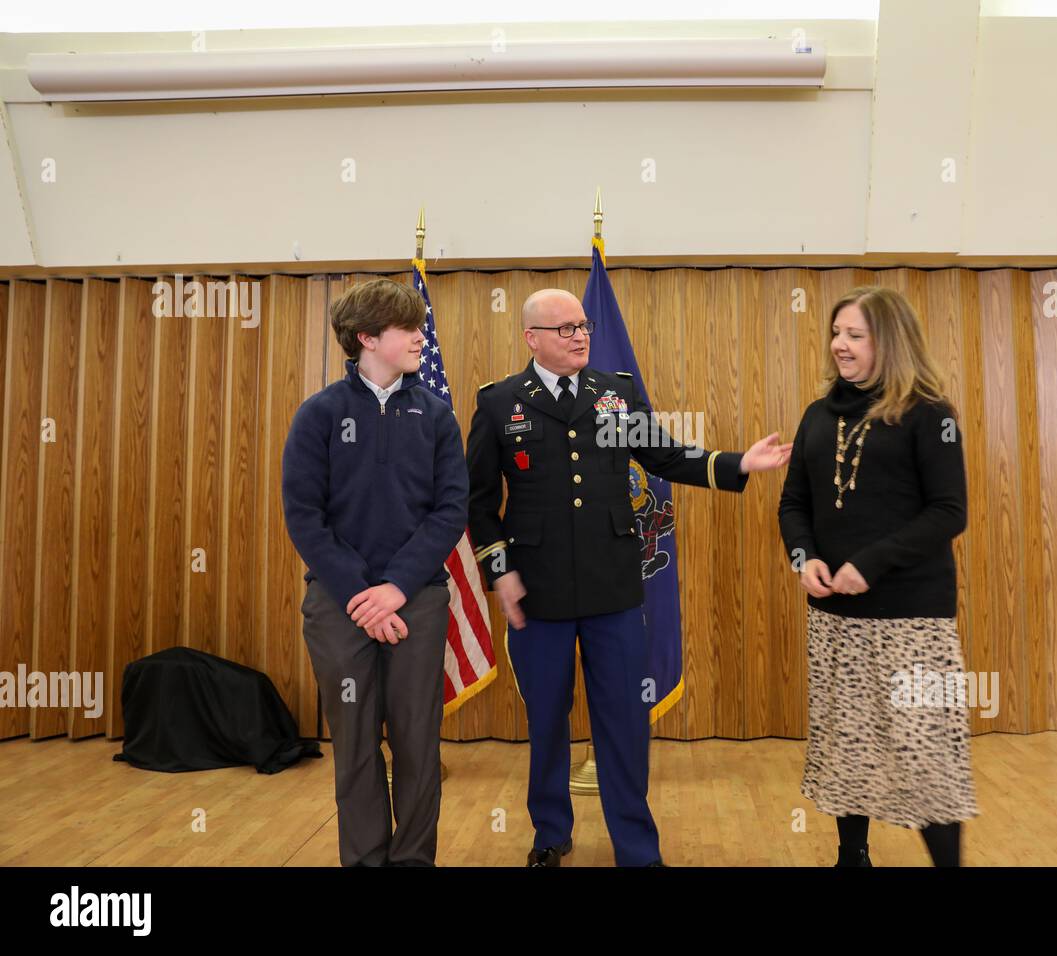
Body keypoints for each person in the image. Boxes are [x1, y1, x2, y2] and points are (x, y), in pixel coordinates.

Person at [467, 288, 791, 867]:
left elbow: (663, 457)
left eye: (582, 325)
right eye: (564, 328)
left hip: (613, 586)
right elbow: (480, 500)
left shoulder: (614, 394)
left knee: (623, 723)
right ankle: (549, 833)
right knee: (547, 718)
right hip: (535, 591)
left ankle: (637, 849)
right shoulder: (500, 403)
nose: (579, 335)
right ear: (531, 338)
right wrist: (501, 571)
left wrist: (735, 463)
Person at [777, 285, 978, 867]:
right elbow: (793, 504)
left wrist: (870, 563)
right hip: (835, 617)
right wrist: (802, 558)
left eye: (855, 336)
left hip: (912, 617)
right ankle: (852, 857)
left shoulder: (930, 415)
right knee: (847, 742)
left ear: (889, 342)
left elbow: (949, 511)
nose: (839, 345)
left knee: (925, 755)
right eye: (837, 333)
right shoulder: (817, 415)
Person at [281, 278, 469, 867]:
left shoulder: (436, 416)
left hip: (416, 600)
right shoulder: (318, 414)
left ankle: (414, 861)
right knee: (356, 746)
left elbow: (450, 511)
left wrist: (395, 588)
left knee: (417, 742)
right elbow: (304, 516)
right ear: (367, 338)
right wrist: (362, 593)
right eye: (408, 329)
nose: (421, 337)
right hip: (339, 606)